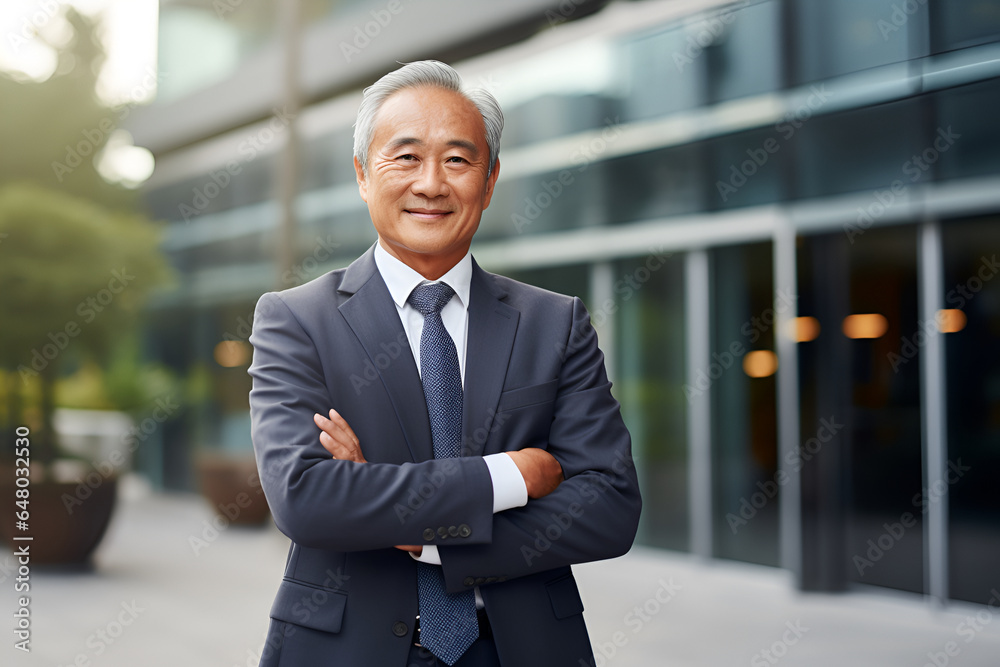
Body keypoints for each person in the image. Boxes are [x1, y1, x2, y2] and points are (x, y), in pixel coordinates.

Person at [248, 60, 641, 667]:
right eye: (405, 157)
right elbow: (306, 498)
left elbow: (609, 507)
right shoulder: (296, 320)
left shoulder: (553, 323)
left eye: (457, 160)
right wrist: (511, 477)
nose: (431, 184)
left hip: (522, 648)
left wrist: (421, 534)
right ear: (361, 174)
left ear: (489, 182)